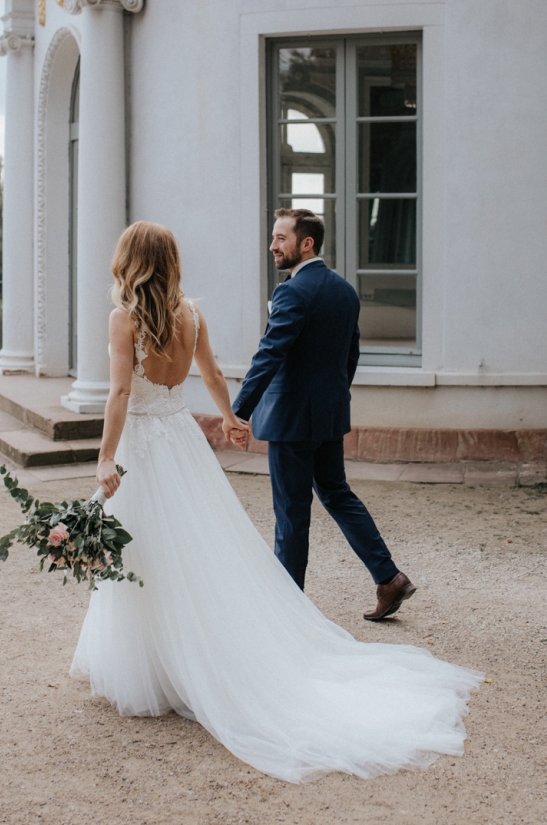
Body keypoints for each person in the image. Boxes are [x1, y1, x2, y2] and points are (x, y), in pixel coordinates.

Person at [72, 221, 482, 783]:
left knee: (149, 545)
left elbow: (120, 392)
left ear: (128, 260)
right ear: (170, 260)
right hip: (187, 440)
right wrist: (231, 419)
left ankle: (159, 667)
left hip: (146, 442)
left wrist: (104, 457)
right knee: (196, 542)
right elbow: (213, 372)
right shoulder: (192, 312)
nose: (274, 245)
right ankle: (185, 655)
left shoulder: (125, 318)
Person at [232, 208, 413, 619]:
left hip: (291, 419)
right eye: (274, 237)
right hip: (329, 415)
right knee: (336, 494)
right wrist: (331, 397)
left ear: (306, 243)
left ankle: (286, 608)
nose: (273, 246)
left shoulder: (292, 292)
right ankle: (388, 578)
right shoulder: (344, 290)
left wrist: (238, 409)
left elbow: (270, 354)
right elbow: (351, 355)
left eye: (281, 238)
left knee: (292, 513)